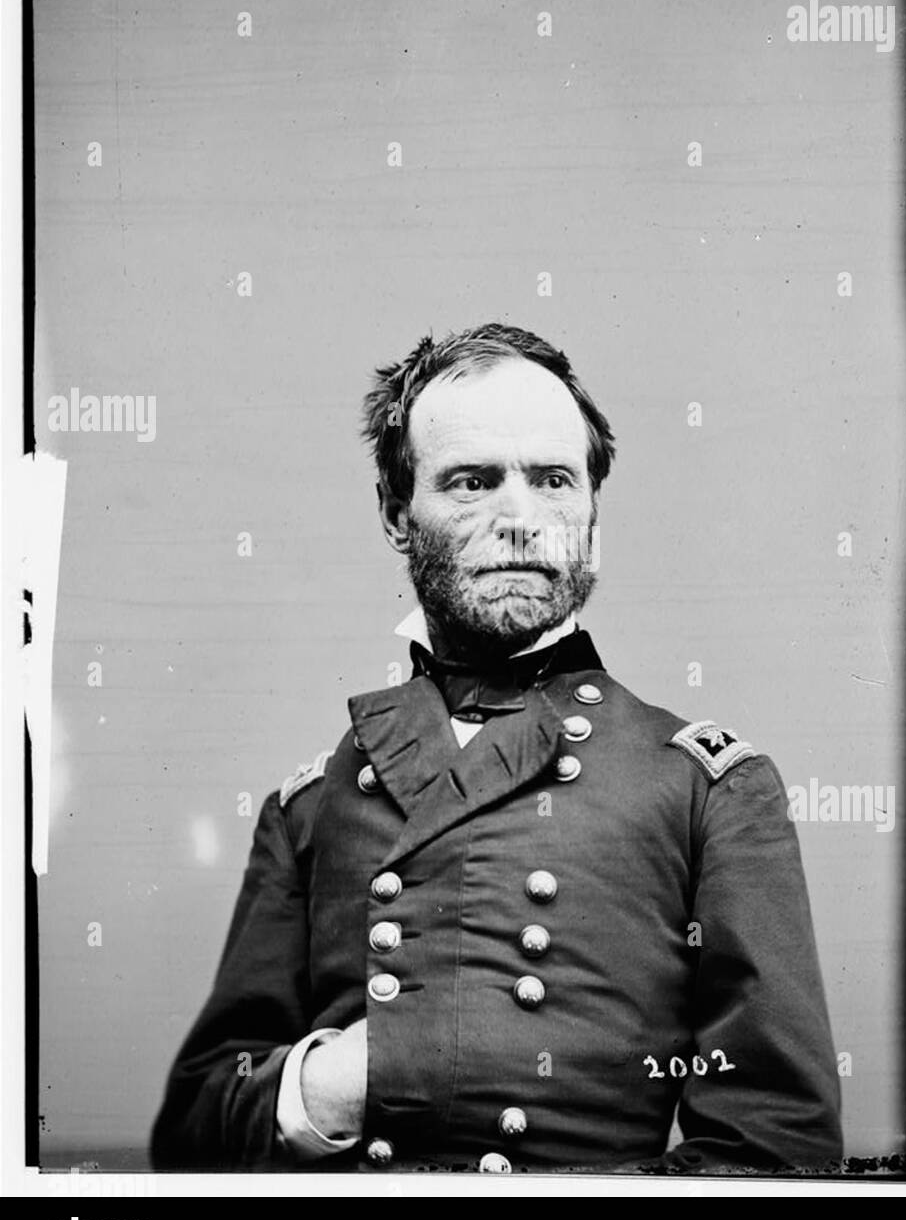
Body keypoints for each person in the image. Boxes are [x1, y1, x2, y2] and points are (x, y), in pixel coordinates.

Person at [151, 322, 843, 1175]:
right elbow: (194, 1136)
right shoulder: (311, 806)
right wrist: (334, 1083)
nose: (521, 520)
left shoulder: (709, 791)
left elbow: (775, 1156)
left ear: (593, 513)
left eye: (553, 480)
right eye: (473, 482)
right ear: (397, 515)